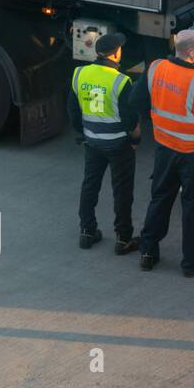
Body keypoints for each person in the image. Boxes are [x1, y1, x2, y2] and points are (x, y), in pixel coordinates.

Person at [133, 29, 194, 276]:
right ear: (192, 52)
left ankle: (148, 252)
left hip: (164, 149)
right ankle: (192, 263)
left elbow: (136, 101)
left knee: (160, 199)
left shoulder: (156, 68)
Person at [68, 32, 141, 253]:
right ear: (116, 53)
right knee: (122, 191)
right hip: (118, 145)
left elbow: (72, 112)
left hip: (93, 142)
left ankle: (87, 231)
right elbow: (131, 120)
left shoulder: (79, 74)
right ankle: (123, 239)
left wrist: (85, 133)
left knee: (90, 186)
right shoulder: (121, 81)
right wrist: (136, 140)